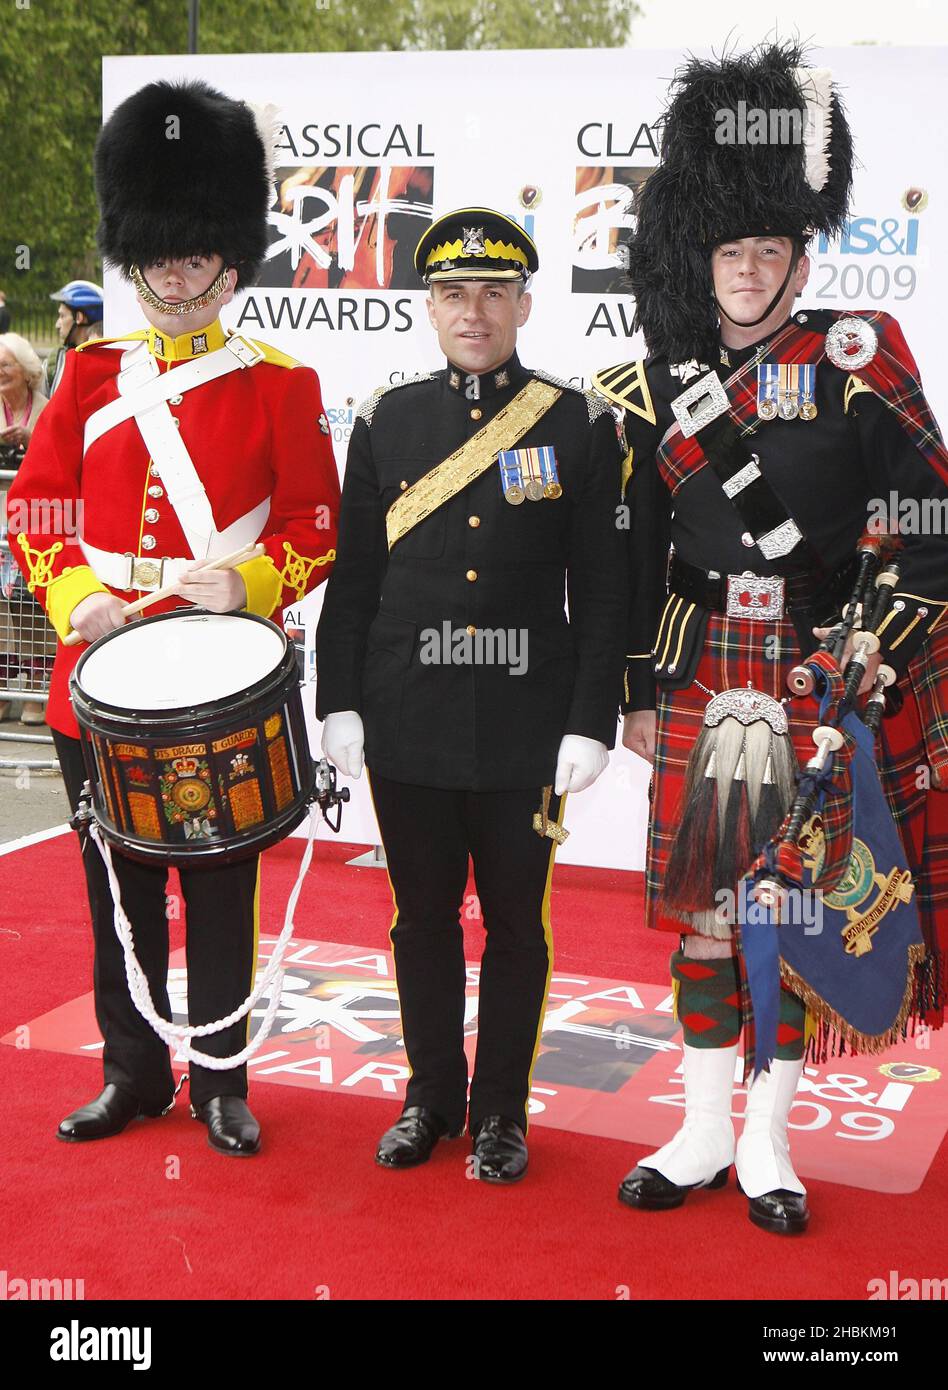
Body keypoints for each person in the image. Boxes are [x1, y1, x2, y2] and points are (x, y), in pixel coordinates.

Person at [593, 44, 948, 1234]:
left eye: (770, 251)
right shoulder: (654, 383)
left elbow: (926, 520)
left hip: (814, 664)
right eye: (730, 250)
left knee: (789, 907)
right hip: (703, 671)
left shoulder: (859, 353)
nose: (748, 271)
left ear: (803, 255)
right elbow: (631, 552)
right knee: (704, 907)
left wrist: (874, 642)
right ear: (703, 254)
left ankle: (767, 1139)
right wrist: (636, 685)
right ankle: (697, 1126)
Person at [8, 79, 340, 1156]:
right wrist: (73, 594)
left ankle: (223, 1079)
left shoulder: (282, 385)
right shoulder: (88, 375)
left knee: (219, 881)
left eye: (196, 260)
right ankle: (132, 1072)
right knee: (117, 890)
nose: (177, 277)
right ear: (138, 261)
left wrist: (246, 586)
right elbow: (37, 505)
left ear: (229, 265)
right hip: (96, 674)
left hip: (215, 675)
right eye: (159, 260)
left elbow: (318, 524)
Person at [316, 208, 626, 1182]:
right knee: (419, 920)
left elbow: (605, 588)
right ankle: (430, 1097)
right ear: (431, 306)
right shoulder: (386, 419)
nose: (475, 311)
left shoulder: (577, 422)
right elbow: (353, 579)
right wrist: (340, 701)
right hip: (407, 718)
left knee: (518, 928)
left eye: (494, 292)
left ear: (525, 301)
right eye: (455, 293)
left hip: (525, 730)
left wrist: (589, 720)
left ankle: (500, 1113)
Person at [0, 332, 50, 723]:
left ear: (26, 372)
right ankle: (3, 689)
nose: (0, 372)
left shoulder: (47, 411)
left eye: (6, 365)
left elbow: (60, 460)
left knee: (29, 601)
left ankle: (34, 688)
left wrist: (32, 439)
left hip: (35, 518)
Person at [44, 280, 104, 397]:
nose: (57, 324)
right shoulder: (55, 361)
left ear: (79, 317)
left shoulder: (103, 361)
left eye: (62, 316)